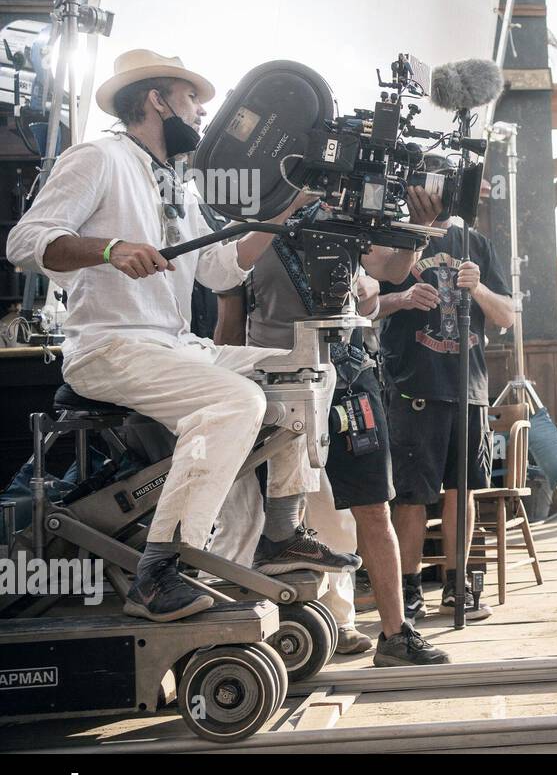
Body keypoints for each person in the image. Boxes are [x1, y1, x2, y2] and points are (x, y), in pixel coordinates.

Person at [6, 49, 357, 623]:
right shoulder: (98, 157)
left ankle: (279, 533)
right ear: (155, 99)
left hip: (170, 345)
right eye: (191, 98)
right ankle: (158, 572)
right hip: (109, 347)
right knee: (235, 400)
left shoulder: (177, 183)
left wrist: (292, 204)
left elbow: (222, 269)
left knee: (307, 370)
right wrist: (111, 250)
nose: (200, 113)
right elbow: (25, 243)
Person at [214, 192, 451, 665]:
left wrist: (421, 231)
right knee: (271, 519)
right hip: (275, 384)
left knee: (369, 507)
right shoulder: (248, 231)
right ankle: (269, 629)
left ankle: (394, 633)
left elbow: (393, 268)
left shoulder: (343, 220)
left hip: (346, 376)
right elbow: (230, 325)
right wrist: (225, 391)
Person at [380, 183, 514, 621]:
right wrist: (403, 293)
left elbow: (507, 316)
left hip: (468, 385)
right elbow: (367, 301)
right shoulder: (398, 231)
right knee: (411, 496)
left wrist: (478, 290)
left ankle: (458, 588)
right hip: (412, 383)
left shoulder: (476, 243)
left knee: (464, 490)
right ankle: (409, 588)